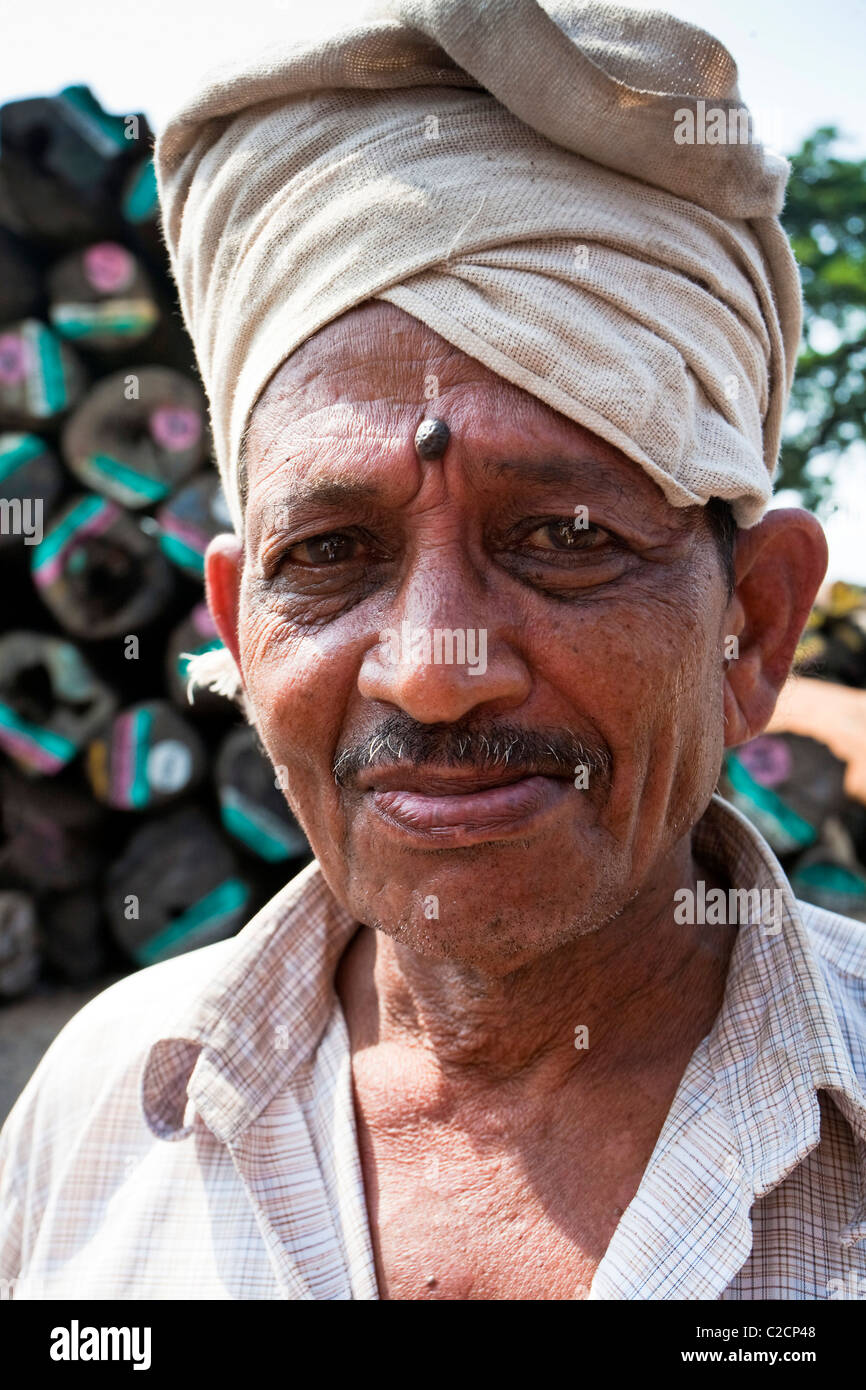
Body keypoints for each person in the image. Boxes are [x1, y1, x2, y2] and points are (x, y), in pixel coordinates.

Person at [1, 0, 864, 1300]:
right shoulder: (104, 1108)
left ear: (753, 622)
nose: (431, 669)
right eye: (332, 556)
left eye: (563, 534)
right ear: (238, 628)